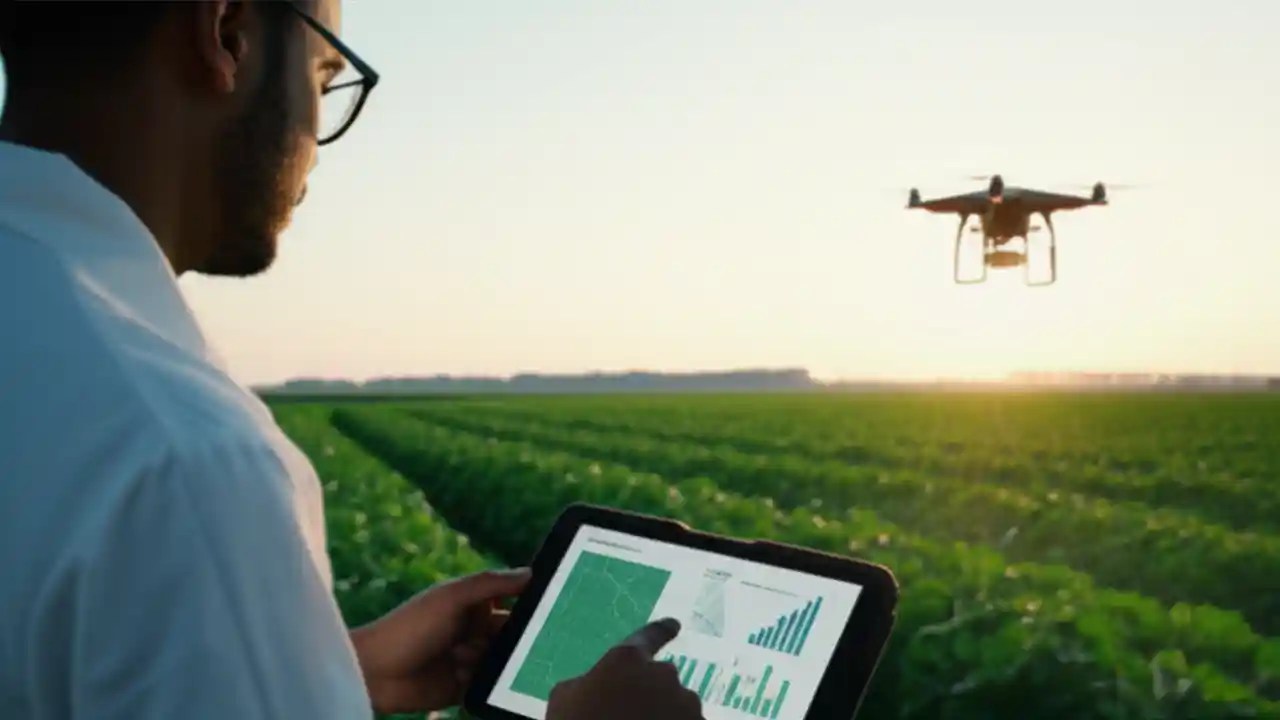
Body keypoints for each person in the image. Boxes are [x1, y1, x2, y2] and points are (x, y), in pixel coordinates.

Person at [0, 2, 704, 718]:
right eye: (323, 73)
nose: (316, 137)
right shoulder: (184, 456)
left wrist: (327, 670)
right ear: (226, 35)